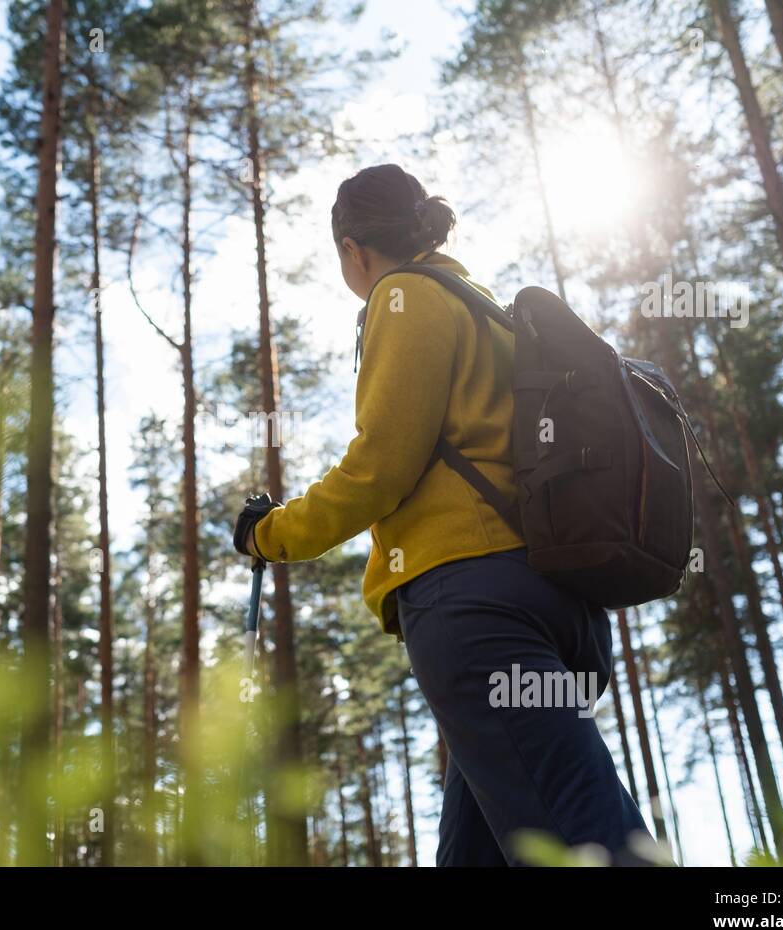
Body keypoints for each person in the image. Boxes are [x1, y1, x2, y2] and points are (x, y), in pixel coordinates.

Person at [233, 163, 654, 866]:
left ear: (352, 249)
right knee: (480, 853)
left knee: (591, 845)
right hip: (559, 602)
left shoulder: (404, 299)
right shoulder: (482, 305)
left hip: (472, 605)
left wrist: (269, 535)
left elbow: (380, 467)